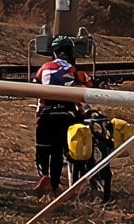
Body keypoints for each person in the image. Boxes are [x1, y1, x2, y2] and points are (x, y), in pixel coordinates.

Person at [32, 36, 92, 194]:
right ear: (71, 52)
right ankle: (54, 184)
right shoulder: (73, 70)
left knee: (42, 147)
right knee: (58, 151)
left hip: (46, 113)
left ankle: (43, 174)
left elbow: (36, 86)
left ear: (54, 52)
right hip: (66, 114)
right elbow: (84, 87)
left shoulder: (44, 68)